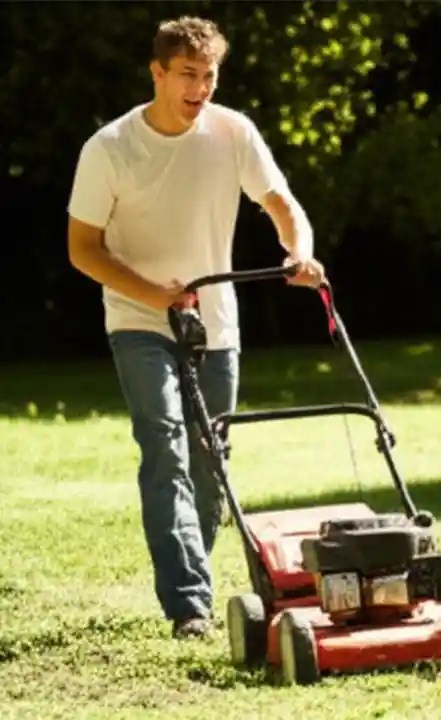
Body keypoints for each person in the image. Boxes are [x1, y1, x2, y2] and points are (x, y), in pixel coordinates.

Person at [65, 16, 325, 639]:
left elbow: (282, 205)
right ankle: (189, 605)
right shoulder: (110, 148)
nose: (200, 88)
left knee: (211, 461)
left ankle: (193, 573)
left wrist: (299, 252)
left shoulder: (232, 132)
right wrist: (153, 293)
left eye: (209, 75)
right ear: (157, 72)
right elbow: (82, 249)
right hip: (138, 318)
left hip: (214, 322)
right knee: (164, 448)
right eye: (187, 75)